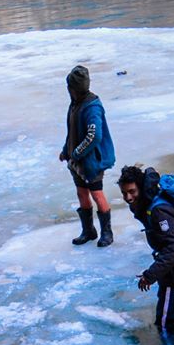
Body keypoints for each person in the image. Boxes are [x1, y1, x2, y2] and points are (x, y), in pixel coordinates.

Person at [117, 165, 174, 334]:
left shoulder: (158, 210)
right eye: (124, 193)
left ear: (141, 187)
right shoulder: (153, 202)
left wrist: (150, 276)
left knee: (166, 325)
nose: (128, 197)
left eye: (132, 191)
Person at [59, 65, 116, 247]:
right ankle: (88, 230)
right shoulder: (75, 104)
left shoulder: (92, 107)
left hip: (92, 162)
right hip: (76, 161)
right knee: (81, 193)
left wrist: (76, 153)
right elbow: (72, 132)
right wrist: (66, 150)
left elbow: (94, 135)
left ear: (75, 89)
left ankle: (107, 232)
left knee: (97, 194)